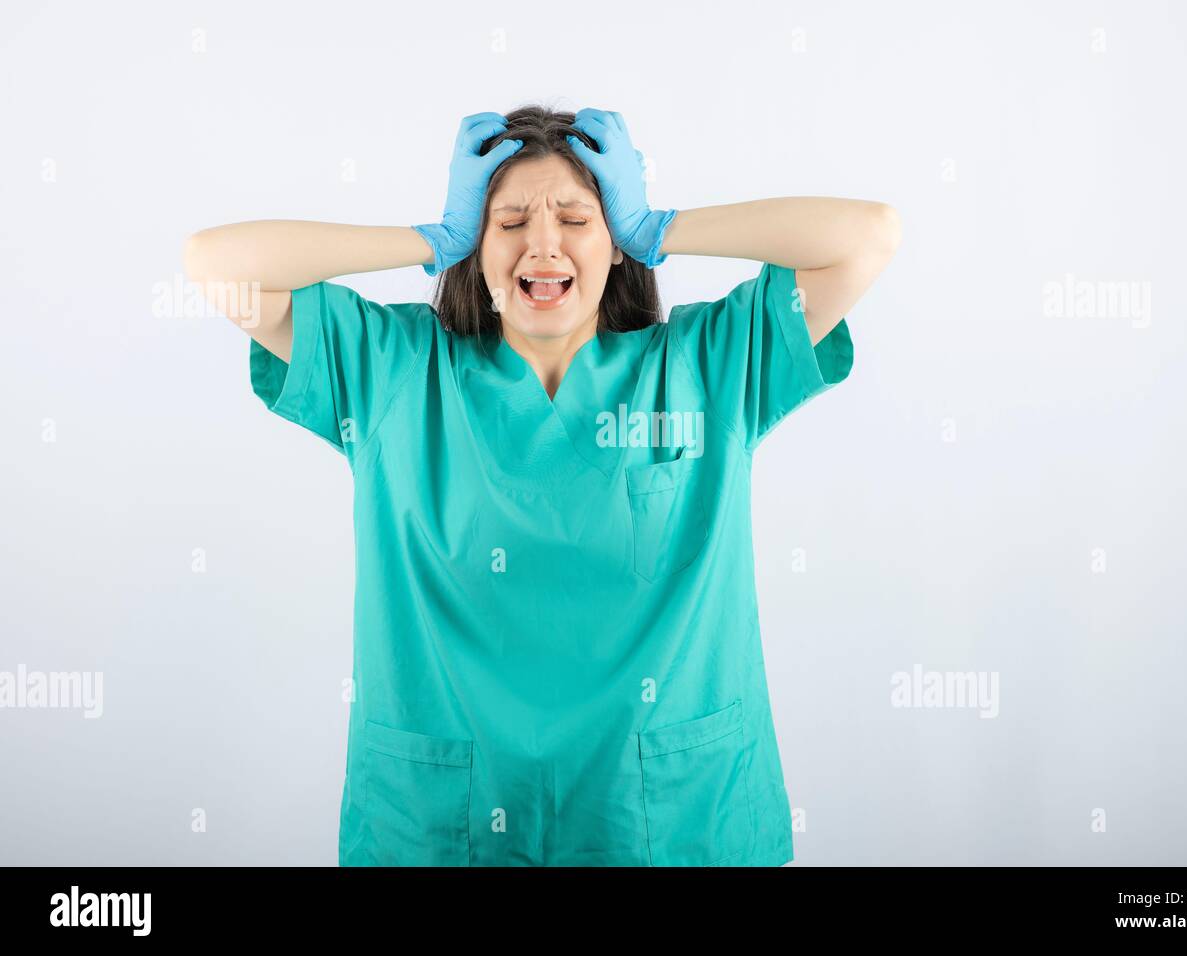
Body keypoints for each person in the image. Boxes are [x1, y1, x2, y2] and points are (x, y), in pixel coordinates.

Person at [183, 105, 901, 866]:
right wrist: (427, 241)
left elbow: (870, 236)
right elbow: (215, 265)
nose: (544, 244)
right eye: (510, 221)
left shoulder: (707, 367)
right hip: (445, 826)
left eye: (577, 218)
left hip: (668, 821)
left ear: (617, 245)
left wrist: (662, 226)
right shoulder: (391, 372)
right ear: (476, 247)